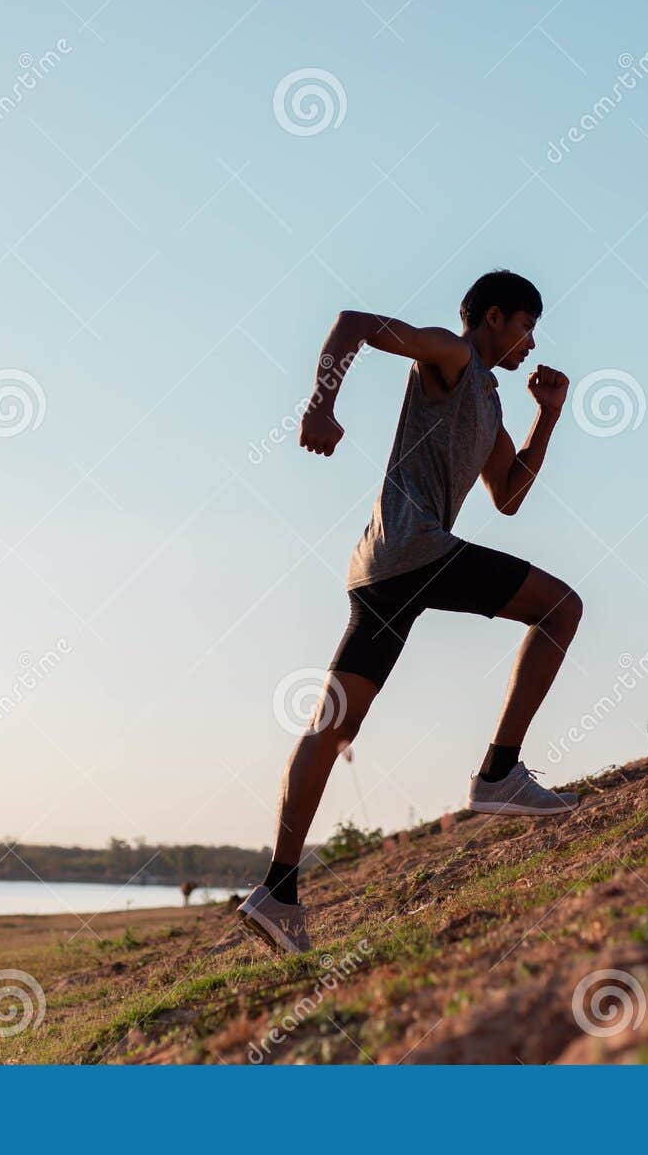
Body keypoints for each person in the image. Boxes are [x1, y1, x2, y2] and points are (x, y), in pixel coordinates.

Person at [237, 270, 585, 955]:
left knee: (331, 730)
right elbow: (354, 323)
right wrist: (321, 404)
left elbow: (509, 494)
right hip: (417, 551)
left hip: (381, 571)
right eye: (524, 327)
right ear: (492, 317)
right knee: (561, 608)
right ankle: (499, 772)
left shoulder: (487, 401)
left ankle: (277, 890)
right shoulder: (453, 357)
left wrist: (547, 417)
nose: (530, 344)